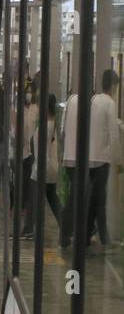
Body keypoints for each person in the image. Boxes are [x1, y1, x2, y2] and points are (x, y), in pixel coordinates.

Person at [59, 69, 120, 252]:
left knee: (84, 197)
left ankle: (84, 235)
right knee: (93, 198)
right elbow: (113, 135)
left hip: (75, 157)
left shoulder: (73, 101)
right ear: (114, 86)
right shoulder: (107, 103)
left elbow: (63, 131)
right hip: (97, 158)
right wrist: (116, 160)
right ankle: (87, 236)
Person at [22, 93, 61, 239]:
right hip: (51, 168)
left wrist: (38, 170)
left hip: (41, 169)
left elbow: (42, 152)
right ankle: (67, 227)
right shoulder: (52, 123)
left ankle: (29, 229)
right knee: (53, 199)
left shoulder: (45, 126)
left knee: (33, 201)